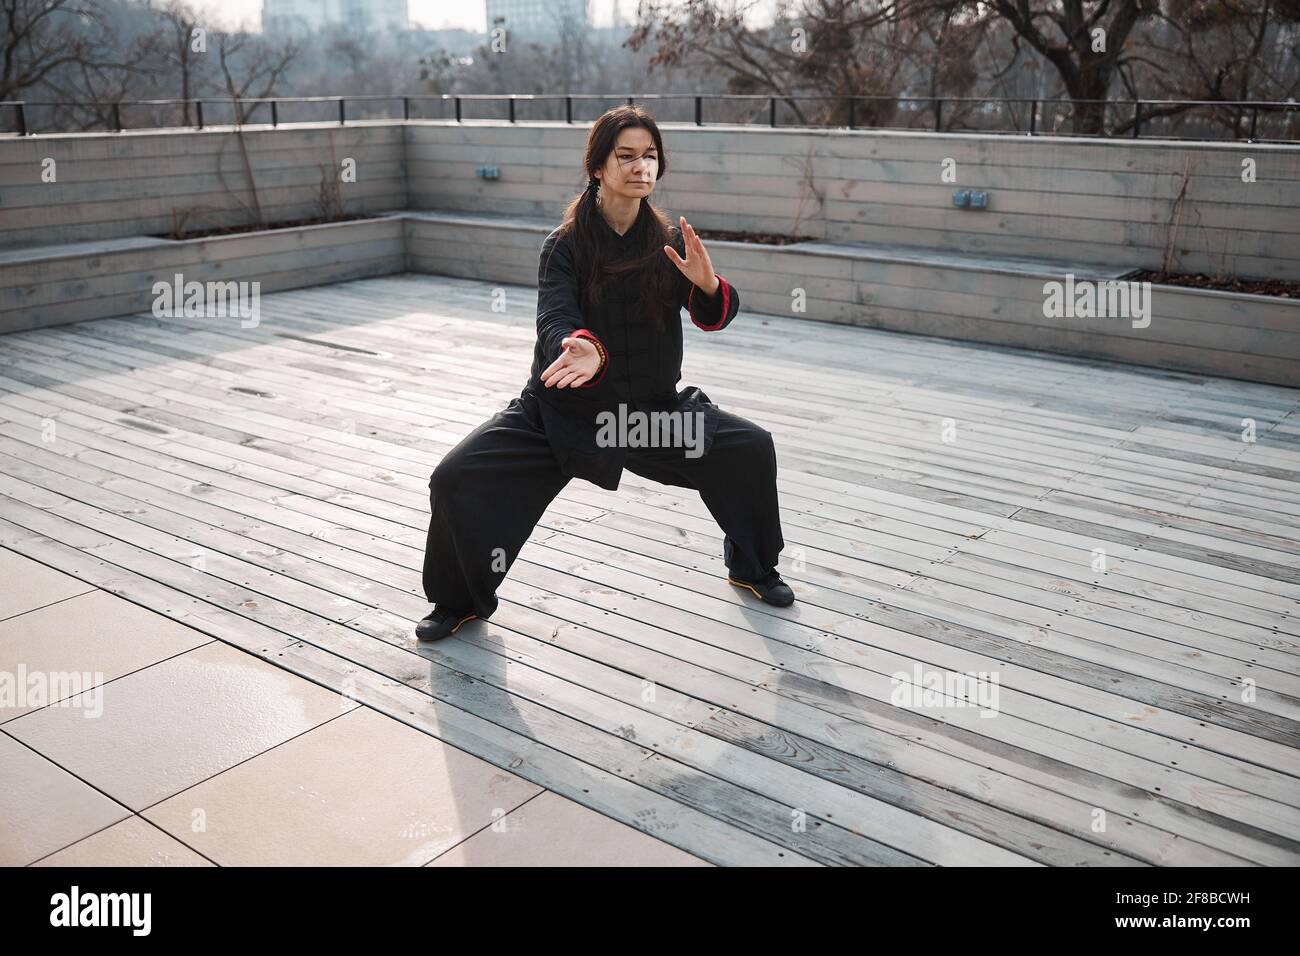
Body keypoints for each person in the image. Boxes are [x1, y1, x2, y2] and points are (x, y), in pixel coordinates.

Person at [417, 105, 793, 642]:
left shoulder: (667, 242)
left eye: (650, 156)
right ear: (597, 166)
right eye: (626, 156)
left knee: (749, 448)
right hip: (563, 413)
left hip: (646, 417)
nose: (641, 167)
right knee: (457, 478)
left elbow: (715, 315)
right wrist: (583, 348)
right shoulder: (565, 245)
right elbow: (554, 316)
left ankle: (752, 566)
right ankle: (458, 602)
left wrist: (708, 288)